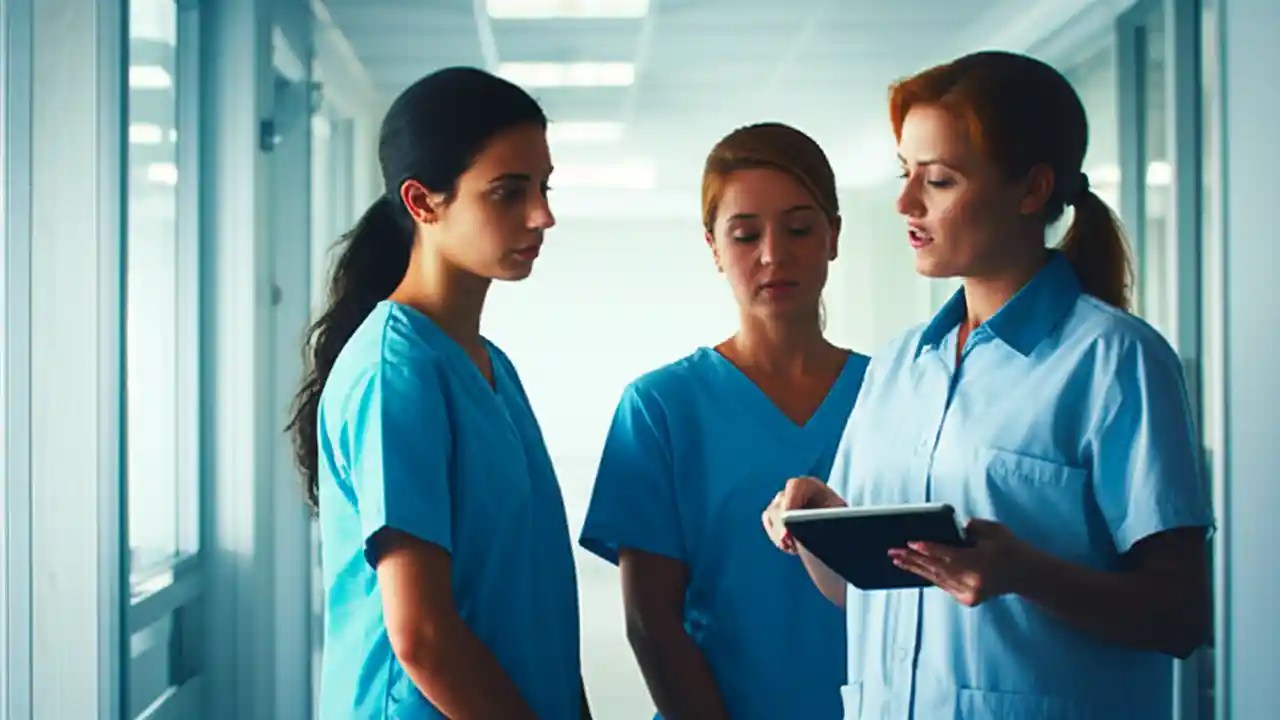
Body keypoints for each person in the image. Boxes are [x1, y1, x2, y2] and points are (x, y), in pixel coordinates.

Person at [764, 50, 1213, 719]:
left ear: (1031, 190)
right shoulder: (897, 368)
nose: (905, 202)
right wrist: (820, 528)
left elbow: (1182, 615)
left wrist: (1024, 574)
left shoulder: (1114, 361)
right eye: (905, 174)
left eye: (938, 181)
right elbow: (862, 593)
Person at [287, 67, 589, 720]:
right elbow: (421, 637)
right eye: (508, 193)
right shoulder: (396, 370)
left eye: (542, 187)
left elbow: (532, 599)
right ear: (424, 202)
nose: (542, 215)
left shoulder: (490, 368)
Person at [580, 122, 870, 719]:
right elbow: (650, 622)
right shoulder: (661, 408)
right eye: (744, 235)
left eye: (798, 228)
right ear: (713, 247)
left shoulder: (892, 393)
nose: (773, 255)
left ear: (833, 235)